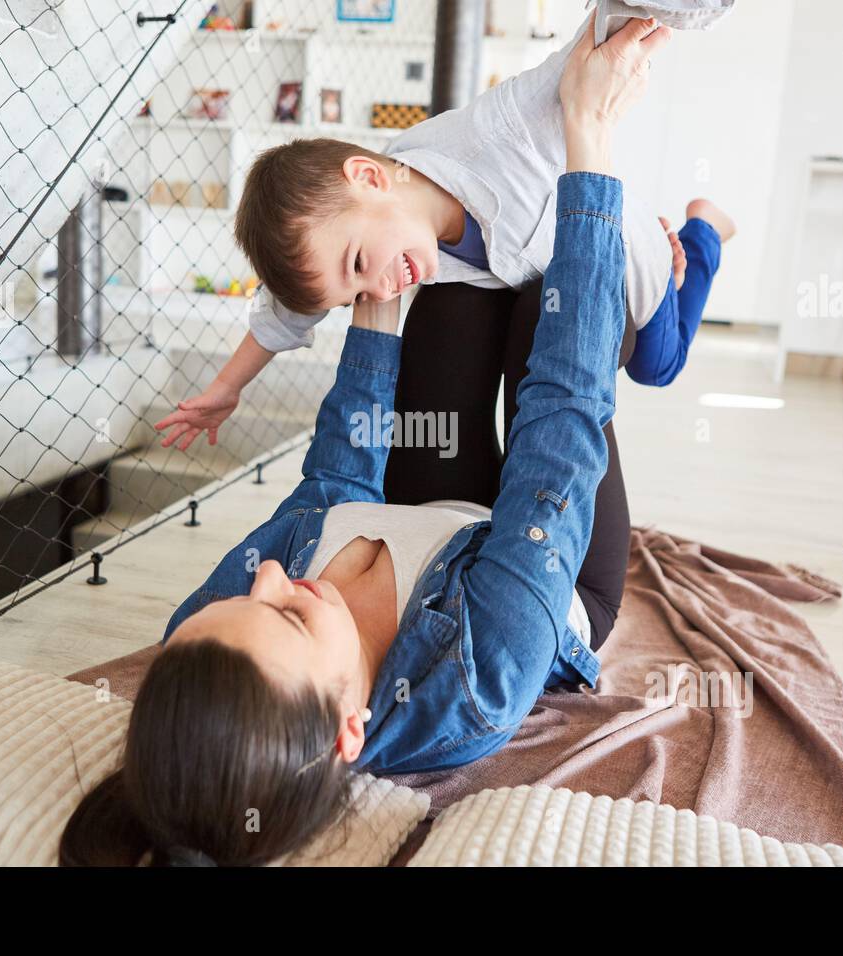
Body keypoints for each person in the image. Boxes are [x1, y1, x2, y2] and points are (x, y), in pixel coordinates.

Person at [61, 16, 691, 868]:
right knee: (545, 323)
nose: (270, 572)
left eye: (240, 596)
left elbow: (333, 480)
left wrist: (379, 302)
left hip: (430, 516)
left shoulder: (209, 637)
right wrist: (591, 144)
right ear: (348, 731)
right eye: (284, 609)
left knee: (449, 293)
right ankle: (697, 245)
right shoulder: (476, 677)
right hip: (551, 559)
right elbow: (561, 419)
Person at [154, 3, 735, 454]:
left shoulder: (509, 128)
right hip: (541, 287)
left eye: (359, 266)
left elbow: (606, 27)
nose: (380, 293)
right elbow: (288, 308)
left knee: (657, 367)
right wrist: (228, 387)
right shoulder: (374, 226)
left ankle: (703, 229)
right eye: (357, 296)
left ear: (368, 176)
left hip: (631, 258)